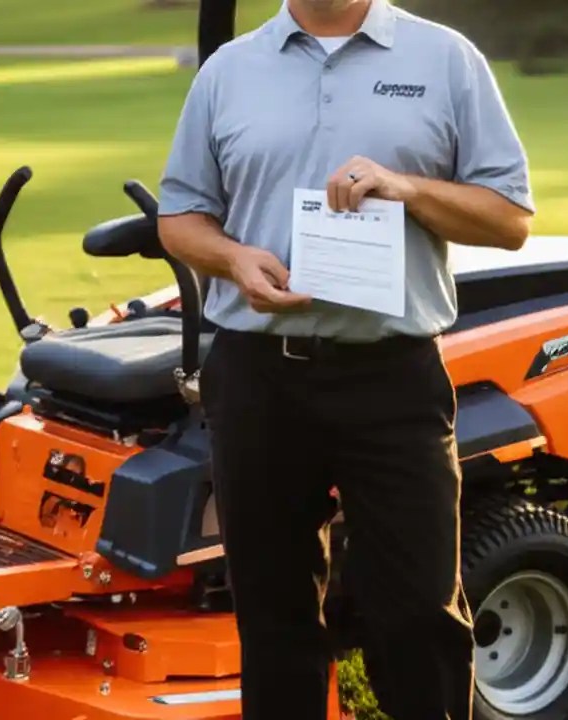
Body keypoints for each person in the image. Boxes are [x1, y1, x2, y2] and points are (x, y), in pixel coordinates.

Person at [155, 1, 535, 718]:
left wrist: (408, 187)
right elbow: (180, 217)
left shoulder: (445, 59)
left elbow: (509, 219)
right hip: (258, 378)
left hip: (392, 377)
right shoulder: (229, 71)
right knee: (273, 612)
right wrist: (234, 259)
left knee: (420, 611)